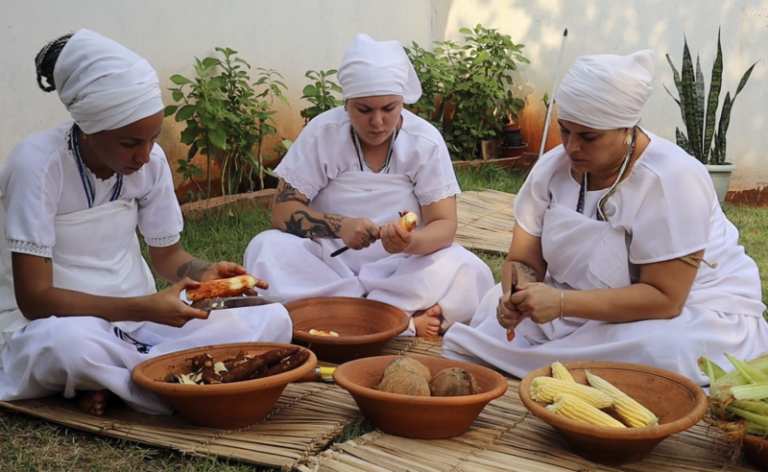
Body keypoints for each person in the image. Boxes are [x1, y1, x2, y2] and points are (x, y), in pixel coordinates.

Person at [0, 29, 292, 417]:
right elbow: (34, 300)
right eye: (129, 143)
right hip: (57, 324)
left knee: (273, 318)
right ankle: (165, 383)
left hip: (140, 324)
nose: (145, 155)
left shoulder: (150, 165)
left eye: (153, 138)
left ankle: (120, 382)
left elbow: (167, 255)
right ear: (88, 126)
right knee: (72, 346)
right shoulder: (36, 165)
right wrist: (143, 308)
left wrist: (202, 271)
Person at [441, 49, 768, 385]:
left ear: (627, 128)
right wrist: (518, 292)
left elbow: (666, 299)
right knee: (490, 308)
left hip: (688, 309)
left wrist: (564, 303)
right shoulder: (551, 170)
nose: (570, 148)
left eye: (588, 137)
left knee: (661, 349)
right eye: (565, 130)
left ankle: (553, 362)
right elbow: (523, 258)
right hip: (572, 301)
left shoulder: (672, 180)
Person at [244, 34, 494, 339]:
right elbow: (282, 211)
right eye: (364, 110)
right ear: (346, 103)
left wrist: (408, 244)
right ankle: (400, 321)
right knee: (266, 247)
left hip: (401, 268)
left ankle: (341, 319)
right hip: (327, 265)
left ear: (402, 101)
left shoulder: (424, 141)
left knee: (470, 270)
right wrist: (340, 226)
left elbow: (444, 224)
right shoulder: (323, 133)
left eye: (389, 108)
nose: (377, 121)